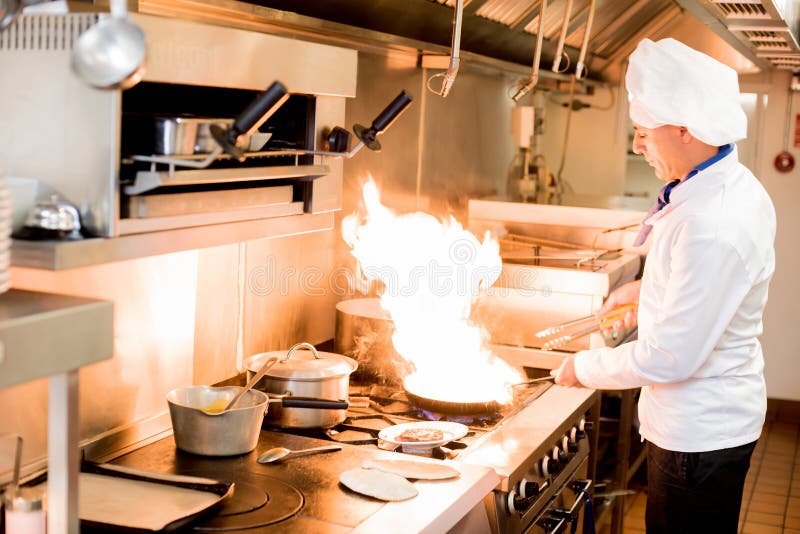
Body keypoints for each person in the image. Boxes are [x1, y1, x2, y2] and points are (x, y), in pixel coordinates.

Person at [552, 37, 776, 534]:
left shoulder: (714, 223)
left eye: (642, 134)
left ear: (684, 130)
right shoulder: (725, 184)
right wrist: (643, 293)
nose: (636, 146)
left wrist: (581, 367)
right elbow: (698, 289)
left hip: (696, 438)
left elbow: (671, 356)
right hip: (704, 426)